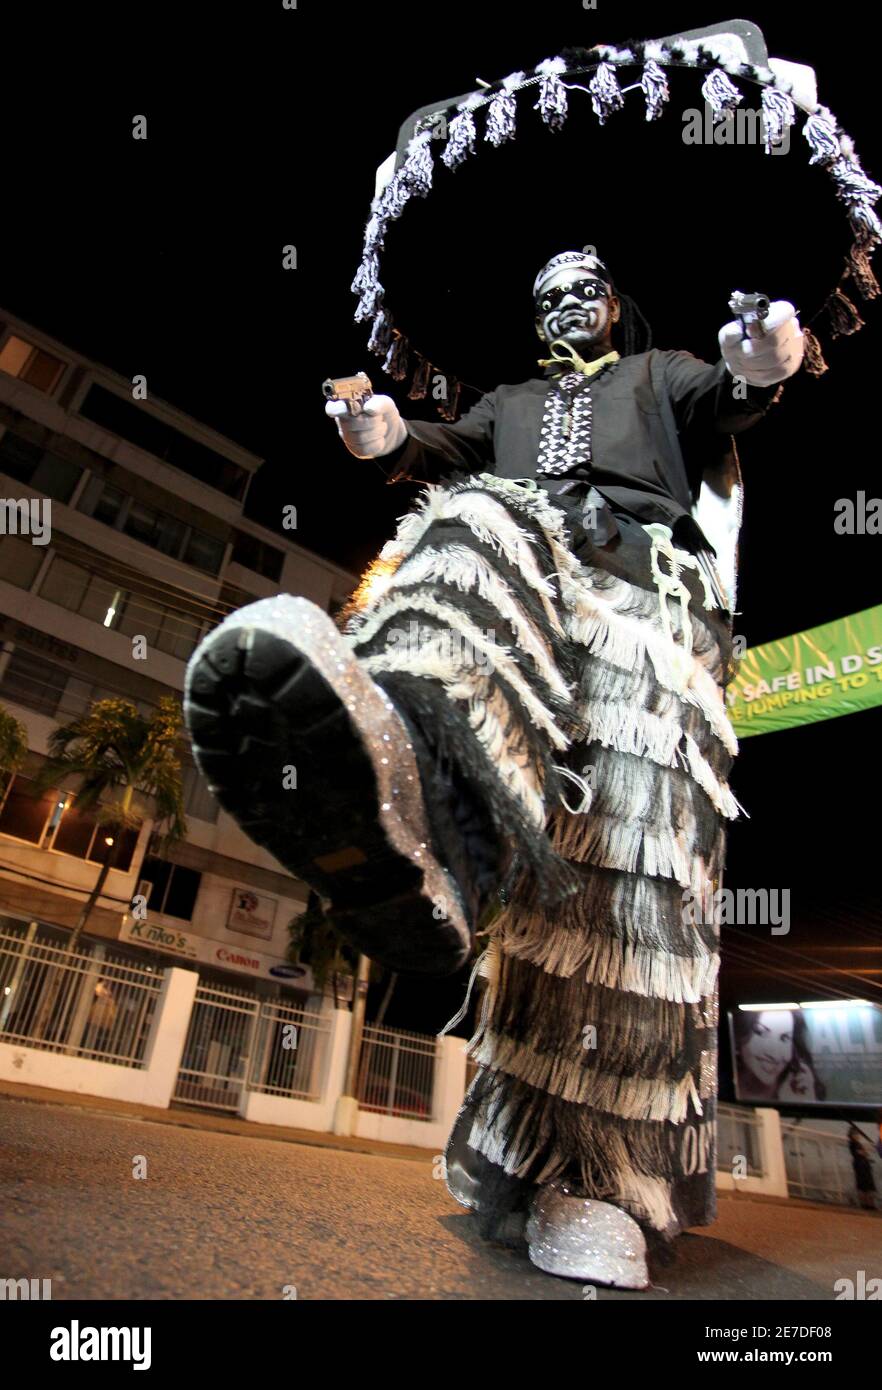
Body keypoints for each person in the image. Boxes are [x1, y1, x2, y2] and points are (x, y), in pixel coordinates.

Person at [184, 249, 804, 1288]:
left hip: (641, 625)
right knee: (467, 515)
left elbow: (743, 386)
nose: (564, 299)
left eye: (584, 283)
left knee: (611, 894)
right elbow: (415, 445)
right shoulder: (506, 406)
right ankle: (420, 788)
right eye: (545, 288)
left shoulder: (663, 377)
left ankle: (596, 1179)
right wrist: (368, 423)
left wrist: (765, 348)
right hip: (526, 606)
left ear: (616, 303)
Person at [733, 1008, 826, 1103]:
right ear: (739, 1035)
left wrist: (803, 1102)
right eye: (760, 1032)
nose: (775, 1054)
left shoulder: (797, 1091)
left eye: (785, 1038)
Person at [847, 1124, 878, 1211]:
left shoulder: (853, 1143)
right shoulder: (854, 1144)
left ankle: (865, 1204)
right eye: (855, 1134)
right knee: (866, 1185)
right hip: (861, 1165)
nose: (857, 1136)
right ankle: (868, 1204)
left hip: (860, 1164)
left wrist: (865, 1153)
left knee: (863, 1185)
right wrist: (865, 1152)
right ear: (852, 1135)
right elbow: (861, 1153)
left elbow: (860, 1153)